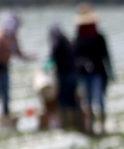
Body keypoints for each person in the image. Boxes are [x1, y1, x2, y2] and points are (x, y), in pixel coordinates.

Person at [0, 10, 35, 132]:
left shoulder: (13, 37)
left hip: (4, 68)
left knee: (6, 94)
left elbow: (18, 52)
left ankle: (5, 118)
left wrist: (30, 58)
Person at [74, 3, 113, 135]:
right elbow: (75, 56)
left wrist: (110, 70)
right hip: (83, 74)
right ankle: (90, 126)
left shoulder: (98, 37)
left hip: (98, 72)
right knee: (87, 100)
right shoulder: (78, 38)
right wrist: (82, 63)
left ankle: (102, 125)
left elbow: (105, 55)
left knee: (99, 98)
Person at [47, 24, 80, 132]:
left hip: (65, 75)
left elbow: (53, 56)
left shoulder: (57, 41)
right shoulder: (67, 41)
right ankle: (75, 124)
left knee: (62, 100)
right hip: (73, 74)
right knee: (72, 99)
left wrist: (47, 67)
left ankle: (65, 125)